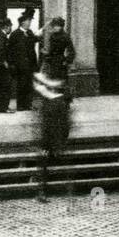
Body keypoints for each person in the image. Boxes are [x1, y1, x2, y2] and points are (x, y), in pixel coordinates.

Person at [32, 68, 70, 202]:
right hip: (53, 138)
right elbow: (64, 124)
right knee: (47, 163)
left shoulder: (52, 102)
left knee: (44, 163)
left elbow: (48, 124)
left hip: (50, 139)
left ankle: (42, 191)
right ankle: (43, 191)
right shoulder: (59, 102)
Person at [6, 13, 39, 112]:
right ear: (22, 22)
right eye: (28, 21)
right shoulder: (15, 34)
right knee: (21, 85)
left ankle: (28, 104)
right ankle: (21, 105)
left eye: (30, 21)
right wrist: (12, 64)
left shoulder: (30, 33)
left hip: (30, 65)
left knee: (29, 85)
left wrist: (38, 35)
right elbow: (10, 51)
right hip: (20, 66)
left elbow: (34, 42)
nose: (30, 23)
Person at [40, 16, 76, 85]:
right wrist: (46, 53)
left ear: (61, 27)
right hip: (50, 63)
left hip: (60, 63)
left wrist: (67, 61)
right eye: (54, 26)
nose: (55, 27)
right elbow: (50, 49)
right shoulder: (52, 35)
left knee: (59, 83)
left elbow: (71, 51)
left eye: (57, 26)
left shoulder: (65, 37)